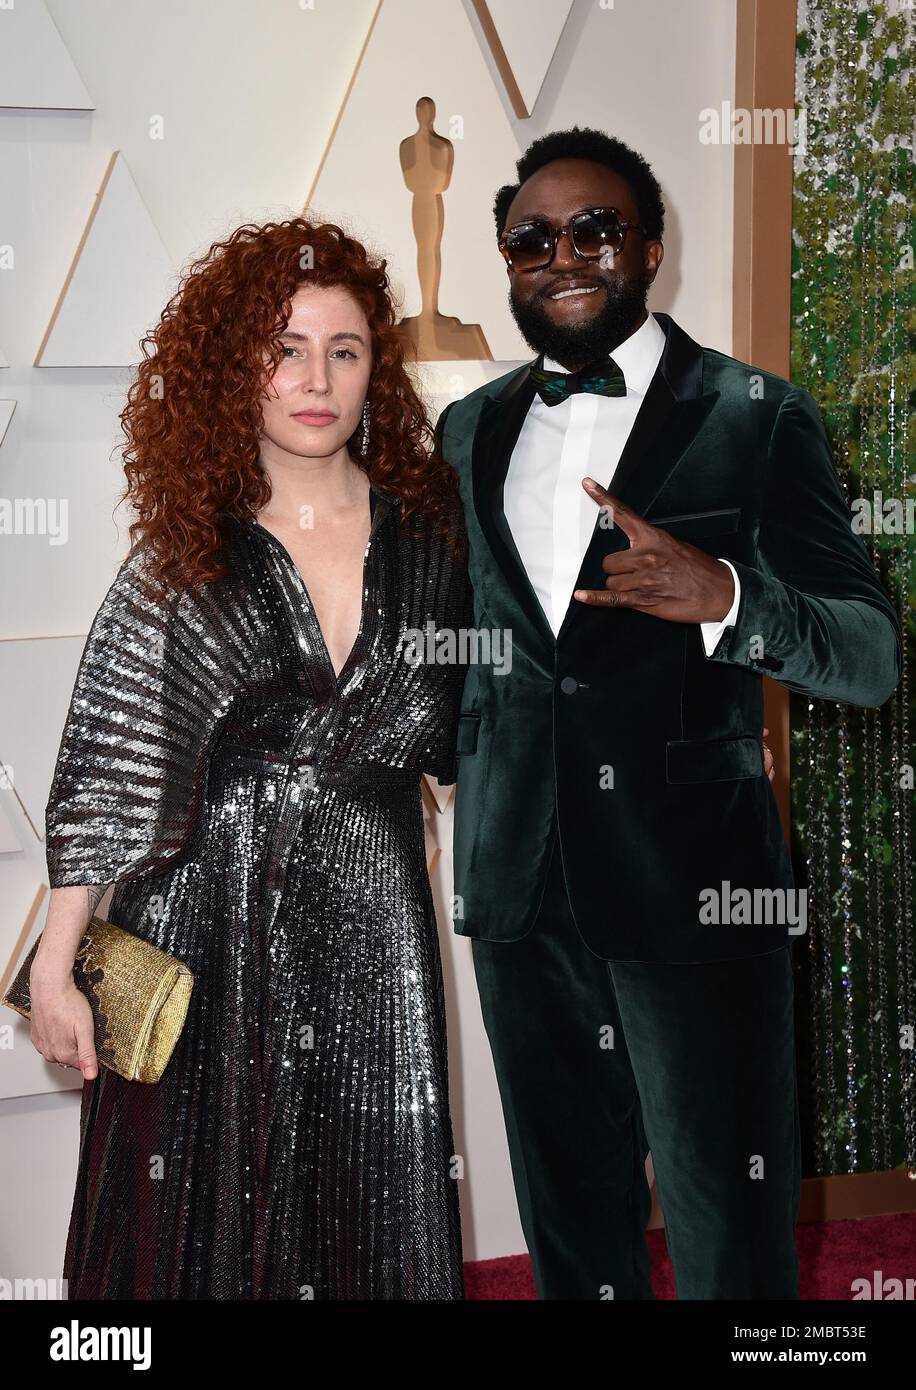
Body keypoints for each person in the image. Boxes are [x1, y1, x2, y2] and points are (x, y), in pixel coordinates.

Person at [435, 127, 902, 1300]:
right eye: (532, 239)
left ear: (649, 247)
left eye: (594, 230)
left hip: (697, 882)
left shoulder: (755, 414)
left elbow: (866, 657)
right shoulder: (469, 428)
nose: (563, 257)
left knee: (727, 1232)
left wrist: (728, 596)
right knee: (570, 1229)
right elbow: (465, 638)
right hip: (517, 883)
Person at [28, 217, 472, 1300]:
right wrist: (54, 962)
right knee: (194, 1206)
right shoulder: (188, 550)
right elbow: (109, 767)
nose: (315, 379)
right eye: (285, 349)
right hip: (205, 917)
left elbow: (474, 730)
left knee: (366, 1188)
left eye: (344, 350)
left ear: (375, 371)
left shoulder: (434, 537)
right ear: (238, 369)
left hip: (373, 919)